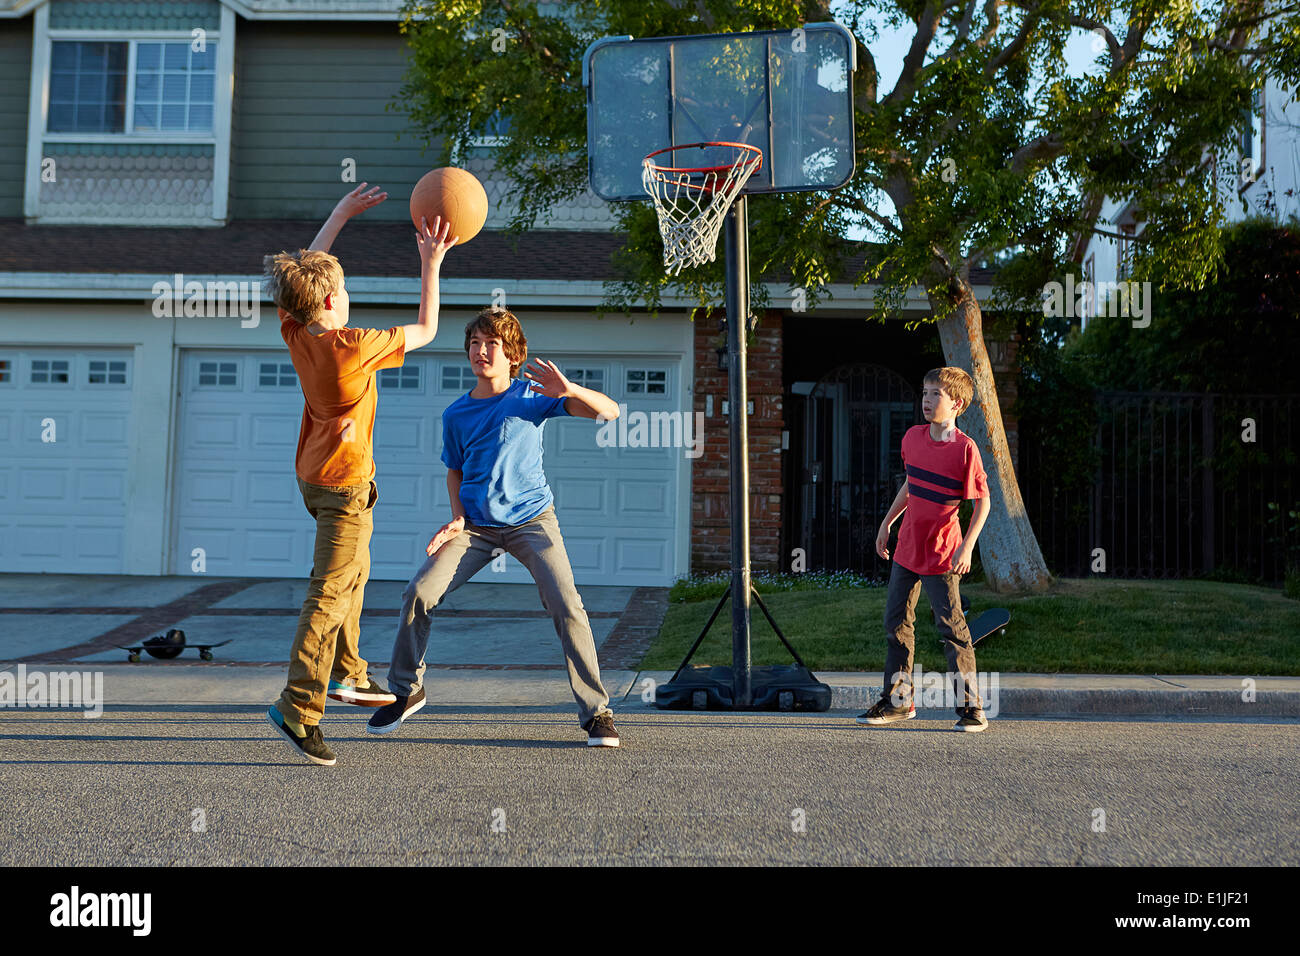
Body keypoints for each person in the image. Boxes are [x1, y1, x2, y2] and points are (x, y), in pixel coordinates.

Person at [263, 183, 457, 765]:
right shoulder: (353, 347)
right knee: (329, 592)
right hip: (345, 486)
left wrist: (340, 214)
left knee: (354, 574)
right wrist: (431, 262)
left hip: (315, 479)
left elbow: (301, 278)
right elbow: (426, 329)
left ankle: (348, 672)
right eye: (342, 290)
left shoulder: (297, 331)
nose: (348, 295)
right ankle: (298, 708)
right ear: (328, 304)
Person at [368, 307, 622, 747]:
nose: (481, 351)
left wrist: (570, 389)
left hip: (531, 521)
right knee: (419, 593)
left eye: (492, 344)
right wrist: (456, 516)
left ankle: (596, 713)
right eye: (474, 343)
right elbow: (455, 470)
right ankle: (406, 691)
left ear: (512, 355)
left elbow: (611, 413)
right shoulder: (456, 414)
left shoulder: (531, 396)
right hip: (475, 529)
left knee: (567, 605)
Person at [858, 366, 992, 732]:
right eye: (925, 392)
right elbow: (911, 486)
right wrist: (888, 522)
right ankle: (899, 703)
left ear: (958, 404)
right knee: (896, 625)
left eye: (936, 394)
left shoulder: (965, 450)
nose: (927, 400)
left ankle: (971, 708)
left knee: (952, 629)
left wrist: (967, 548)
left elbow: (983, 502)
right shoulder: (913, 438)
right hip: (907, 551)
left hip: (942, 555)